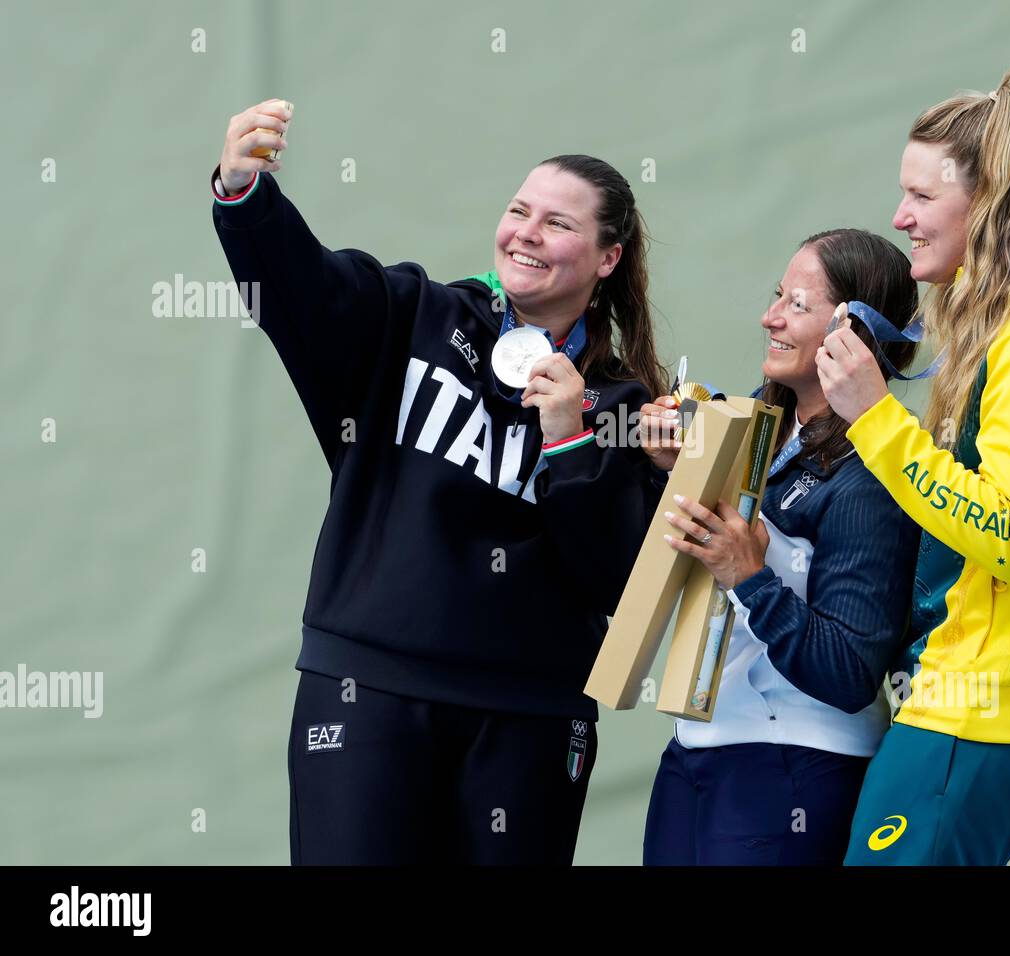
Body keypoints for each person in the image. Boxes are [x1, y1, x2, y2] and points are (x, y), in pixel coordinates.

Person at [210, 98, 667, 864]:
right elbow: (304, 288)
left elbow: (622, 582)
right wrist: (243, 194)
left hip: (530, 718)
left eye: (558, 223)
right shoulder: (410, 312)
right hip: (367, 693)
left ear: (607, 257)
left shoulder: (628, 410)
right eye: (519, 210)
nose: (527, 232)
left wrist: (569, 442)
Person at [816, 67, 1010, 865]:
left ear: (988, 203)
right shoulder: (1004, 334)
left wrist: (878, 419)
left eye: (921, 196)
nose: (899, 217)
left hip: (987, 712)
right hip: (968, 706)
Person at [638, 229, 922, 865]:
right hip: (695, 748)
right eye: (777, 296)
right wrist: (671, 473)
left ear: (853, 332)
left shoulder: (872, 473)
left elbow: (850, 672)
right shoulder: (755, 434)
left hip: (795, 762)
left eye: (797, 304)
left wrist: (752, 577)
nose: (770, 317)